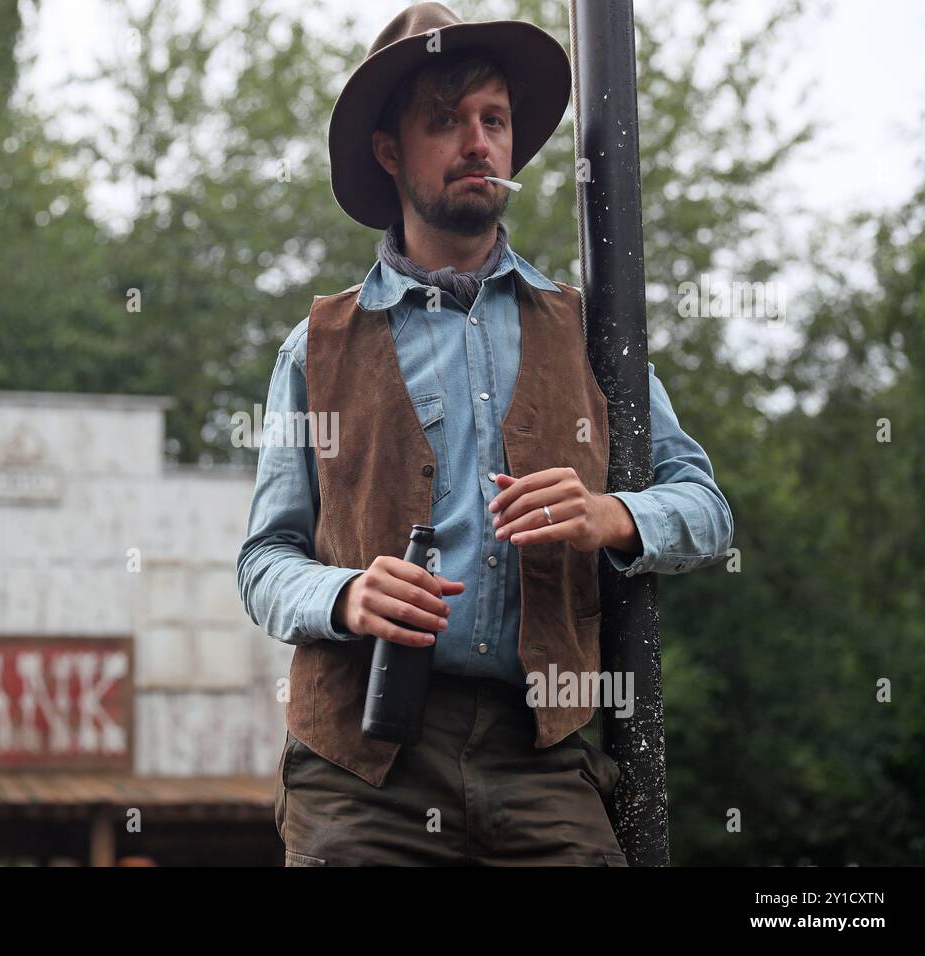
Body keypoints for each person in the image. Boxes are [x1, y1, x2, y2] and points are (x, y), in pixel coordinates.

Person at [236, 1, 734, 866]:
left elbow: (707, 509)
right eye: (446, 121)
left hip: (543, 755)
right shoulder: (314, 350)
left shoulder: (591, 334)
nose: (478, 142)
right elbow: (263, 564)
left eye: (493, 120)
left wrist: (612, 515)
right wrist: (346, 597)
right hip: (362, 768)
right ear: (390, 151)